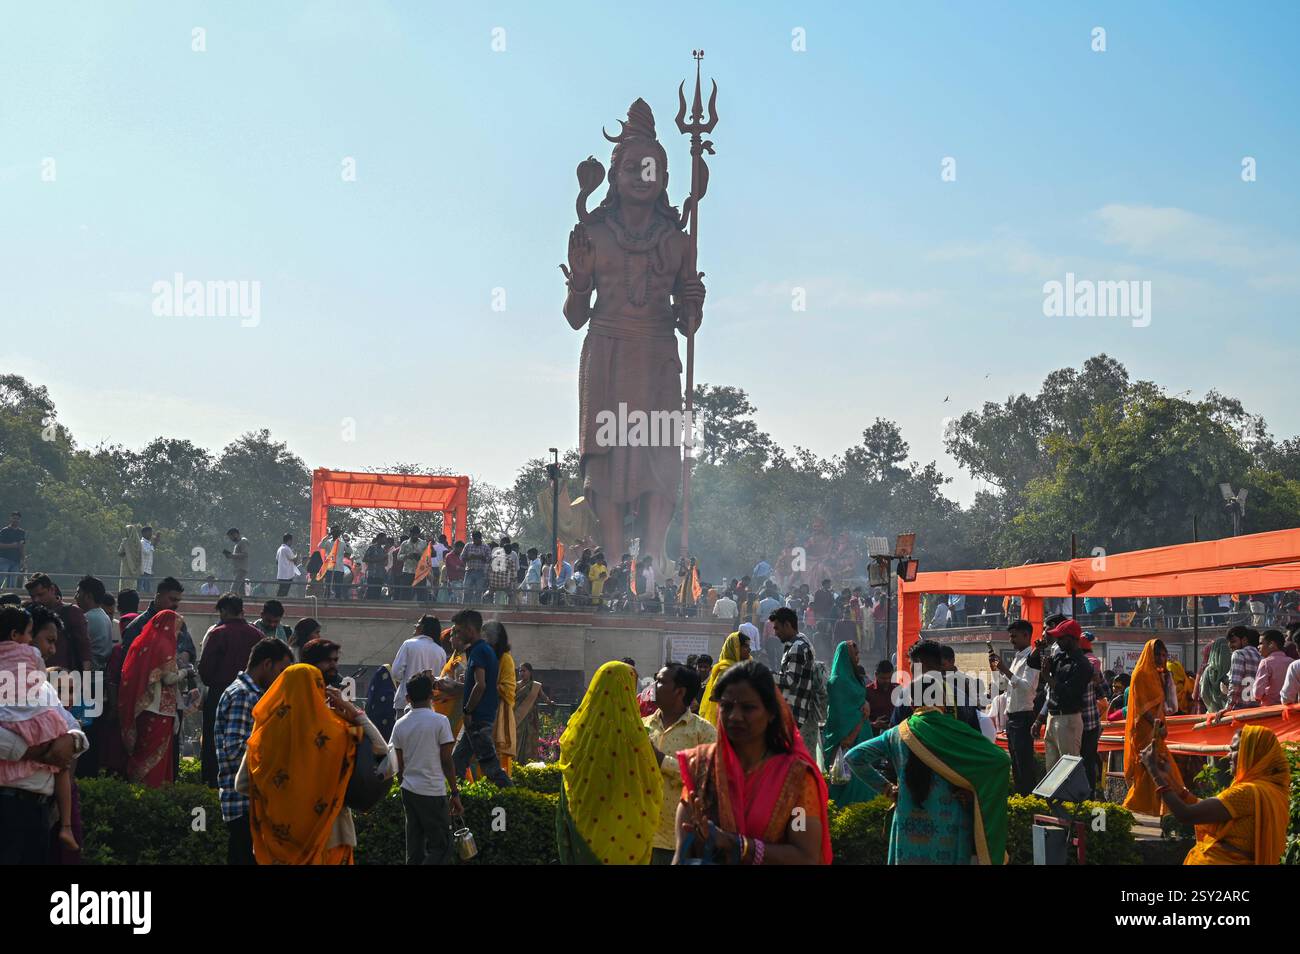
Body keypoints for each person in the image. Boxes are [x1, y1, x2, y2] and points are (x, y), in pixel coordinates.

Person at [676, 661, 831, 865]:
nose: (735, 716)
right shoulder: (700, 766)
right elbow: (681, 854)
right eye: (727, 706)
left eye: (748, 708)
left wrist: (738, 845)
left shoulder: (796, 778)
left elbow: (805, 856)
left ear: (771, 713)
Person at [847, 674, 1012, 864]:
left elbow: (853, 757)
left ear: (911, 704)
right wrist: (972, 788)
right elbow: (1000, 760)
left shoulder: (897, 734)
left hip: (907, 824)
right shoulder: (956, 731)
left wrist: (887, 789)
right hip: (949, 825)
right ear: (943, 702)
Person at [237, 663, 392, 864]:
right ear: (319, 689)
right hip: (331, 839)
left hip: (280, 844)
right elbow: (384, 756)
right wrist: (353, 712)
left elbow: (241, 785)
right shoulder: (336, 733)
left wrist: (280, 794)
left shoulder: (263, 738)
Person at [0, 606, 89, 864]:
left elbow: (75, 729)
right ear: (19, 639)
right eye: (46, 641)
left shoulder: (45, 688)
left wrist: (70, 740)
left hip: (36, 809)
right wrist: (42, 752)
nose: (51, 650)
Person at [556, 659, 661, 864]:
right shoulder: (636, 738)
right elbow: (652, 787)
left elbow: (564, 799)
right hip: (627, 844)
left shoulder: (576, 735)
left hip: (581, 841)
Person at [1141, 725, 1290, 865]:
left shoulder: (1248, 792)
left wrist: (1155, 773)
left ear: (1253, 753)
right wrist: (1170, 779)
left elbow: (1186, 814)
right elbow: (1204, 808)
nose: (1228, 756)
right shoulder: (1272, 791)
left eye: (1235, 749)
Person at [214, 636, 293, 864]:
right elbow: (236, 751)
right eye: (281, 669)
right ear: (266, 664)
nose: (282, 677)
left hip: (251, 802)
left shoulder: (254, 694)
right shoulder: (244, 695)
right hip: (244, 803)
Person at [643, 663, 714, 864]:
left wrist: (663, 761)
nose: (653, 685)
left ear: (679, 691)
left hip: (679, 842)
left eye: (661, 681)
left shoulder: (703, 732)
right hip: (640, 835)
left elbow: (711, 779)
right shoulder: (642, 726)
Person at [391, 672, 461, 865]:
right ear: (432, 695)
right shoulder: (440, 721)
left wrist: (405, 784)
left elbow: (399, 765)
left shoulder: (399, 725)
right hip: (432, 791)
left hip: (409, 790)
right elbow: (447, 761)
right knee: (442, 847)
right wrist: (455, 793)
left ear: (407, 698)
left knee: (414, 849)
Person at [198, 593, 266, 787]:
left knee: (213, 741)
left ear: (225, 611)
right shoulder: (258, 635)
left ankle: (212, 783)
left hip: (220, 694)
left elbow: (205, 669)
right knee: (248, 739)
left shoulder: (219, 633)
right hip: (253, 696)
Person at [118, 608, 187, 787]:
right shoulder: (165, 644)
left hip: (144, 708)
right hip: (159, 710)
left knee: (143, 750)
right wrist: (186, 671)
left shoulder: (146, 642)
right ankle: (153, 792)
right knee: (156, 755)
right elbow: (169, 678)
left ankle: (137, 788)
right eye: (177, 628)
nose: (178, 632)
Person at [448, 609, 512, 785]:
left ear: (470, 629)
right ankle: (460, 797)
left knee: (490, 767)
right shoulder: (482, 650)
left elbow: (480, 685)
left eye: (459, 631)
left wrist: (468, 711)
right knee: (457, 761)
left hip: (478, 718)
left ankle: (513, 797)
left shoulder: (478, 651)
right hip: (480, 716)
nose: (457, 635)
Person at [1122, 638, 1182, 816]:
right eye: (1157, 654)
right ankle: (1138, 804)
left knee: (1156, 765)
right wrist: (1158, 724)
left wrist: (1166, 679)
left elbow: (1168, 706)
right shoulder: (1141, 674)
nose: (1161, 659)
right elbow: (1143, 707)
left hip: (1157, 727)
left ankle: (1155, 807)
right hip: (1145, 728)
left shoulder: (1159, 675)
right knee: (1148, 766)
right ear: (1150, 654)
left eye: (1164, 655)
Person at [1031, 619, 1093, 773]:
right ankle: (1055, 798)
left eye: (1061, 637)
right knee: (1051, 771)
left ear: (1071, 639)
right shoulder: (1060, 657)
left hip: (1069, 719)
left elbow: (1068, 693)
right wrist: (1038, 649)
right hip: (1053, 718)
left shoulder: (1082, 664)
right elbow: (1032, 663)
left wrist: (1048, 678)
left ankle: (1073, 797)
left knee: (1068, 771)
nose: (1057, 641)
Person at [989, 619, 1040, 795]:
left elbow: (1026, 687)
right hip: (1012, 717)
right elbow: (1007, 686)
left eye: (1014, 636)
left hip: (1024, 716)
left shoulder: (1032, 658)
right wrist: (997, 670)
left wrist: (1005, 670)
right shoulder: (1019, 657)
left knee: (1024, 763)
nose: (1011, 640)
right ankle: (1022, 797)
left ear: (1026, 635)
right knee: (1017, 763)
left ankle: (1028, 798)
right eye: (1011, 636)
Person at [822, 640, 874, 807]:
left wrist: (865, 704)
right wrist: (859, 723)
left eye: (858, 654)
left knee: (863, 784)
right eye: (855, 654)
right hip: (849, 741)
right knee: (847, 785)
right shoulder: (837, 682)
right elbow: (840, 717)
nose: (858, 658)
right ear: (846, 656)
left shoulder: (854, 678)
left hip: (861, 737)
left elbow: (857, 701)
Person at [24, 573, 91, 675]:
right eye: (33, 596)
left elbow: (84, 648)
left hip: (64, 675)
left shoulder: (71, 612)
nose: (36, 600)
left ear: (52, 589)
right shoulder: (32, 614)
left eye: (41, 594)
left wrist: (85, 681)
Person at [391, 615, 447, 712]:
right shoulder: (440, 651)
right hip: (429, 705)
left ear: (422, 627)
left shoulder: (408, 644)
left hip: (406, 702)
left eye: (418, 623)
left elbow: (396, 672)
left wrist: (406, 680)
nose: (415, 626)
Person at [698, 630, 751, 727]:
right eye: (745, 646)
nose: (749, 650)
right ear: (736, 648)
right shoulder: (726, 669)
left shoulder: (749, 667)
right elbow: (714, 696)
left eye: (749, 646)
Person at [487, 621, 518, 776]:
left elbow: (507, 688)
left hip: (499, 711)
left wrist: (483, 683)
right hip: (485, 709)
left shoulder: (505, 659)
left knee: (498, 754)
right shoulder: (486, 656)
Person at [514, 663, 551, 762]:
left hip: (530, 718)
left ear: (530, 672)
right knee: (517, 738)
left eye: (524, 670)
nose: (521, 673)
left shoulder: (536, 686)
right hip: (518, 717)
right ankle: (515, 761)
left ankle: (528, 762)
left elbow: (542, 696)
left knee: (529, 740)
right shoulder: (516, 685)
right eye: (520, 671)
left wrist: (549, 701)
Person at [1227, 625, 1262, 710]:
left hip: (1240, 709)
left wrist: (1229, 706)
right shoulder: (1262, 656)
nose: (1230, 645)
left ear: (1244, 640)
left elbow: (1235, 683)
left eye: (1233, 641)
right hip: (1258, 709)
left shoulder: (1239, 654)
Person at [1253, 629, 1290, 707]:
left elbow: (1257, 693)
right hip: (1290, 710)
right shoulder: (1292, 662)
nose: (1258, 647)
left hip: (1270, 710)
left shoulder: (1266, 663)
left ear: (1271, 644)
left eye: (1261, 643)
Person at [1198, 635, 1232, 713]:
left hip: (1214, 713)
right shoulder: (1232, 667)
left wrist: (1212, 707)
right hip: (1230, 711)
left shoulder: (1209, 670)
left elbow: (1203, 693)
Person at [461, 531, 492, 602]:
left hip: (480, 572)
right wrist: (469, 557)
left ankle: (477, 608)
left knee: (478, 591)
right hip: (469, 571)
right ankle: (465, 607)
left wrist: (481, 557)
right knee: (466, 590)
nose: (474, 540)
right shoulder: (468, 545)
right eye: (473, 539)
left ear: (480, 538)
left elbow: (489, 560)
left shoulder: (486, 547)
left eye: (476, 539)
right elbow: (462, 558)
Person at [221, 528, 251, 595]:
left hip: (241, 569)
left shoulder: (243, 542)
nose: (230, 539)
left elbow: (245, 554)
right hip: (238, 570)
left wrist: (231, 555)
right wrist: (231, 556)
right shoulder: (238, 543)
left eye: (231, 537)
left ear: (236, 534)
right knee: (240, 591)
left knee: (233, 590)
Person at [115, 524, 141, 594]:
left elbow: (120, 553)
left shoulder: (125, 541)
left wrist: (126, 553)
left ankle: (123, 595)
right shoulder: (138, 543)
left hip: (126, 565)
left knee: (125, 582)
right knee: (132, 583)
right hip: (135, 567)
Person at [137, 526, 156, 594]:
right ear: (144, 533)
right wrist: (153, 544)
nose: (151, 534)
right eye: (149, 532)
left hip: (148, 570)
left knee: (147, 591)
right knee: (140, 590)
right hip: (142, 570)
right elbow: (146, 552)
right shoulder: (142, 542)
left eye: (151, 532)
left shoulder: (149, 543)